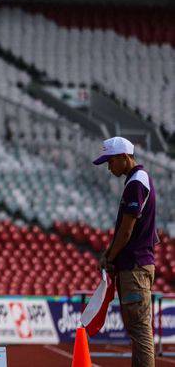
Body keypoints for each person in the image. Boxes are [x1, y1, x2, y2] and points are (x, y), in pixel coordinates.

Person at [94, 136, 157, 366]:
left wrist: (109, 256)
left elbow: (126, 231)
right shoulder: (137, 180)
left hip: (134, 267)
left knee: (140, 332)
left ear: (123, 157)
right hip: (136, 264)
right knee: (138, 332)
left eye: (110, 161)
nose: (109, 167)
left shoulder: (136, 183)